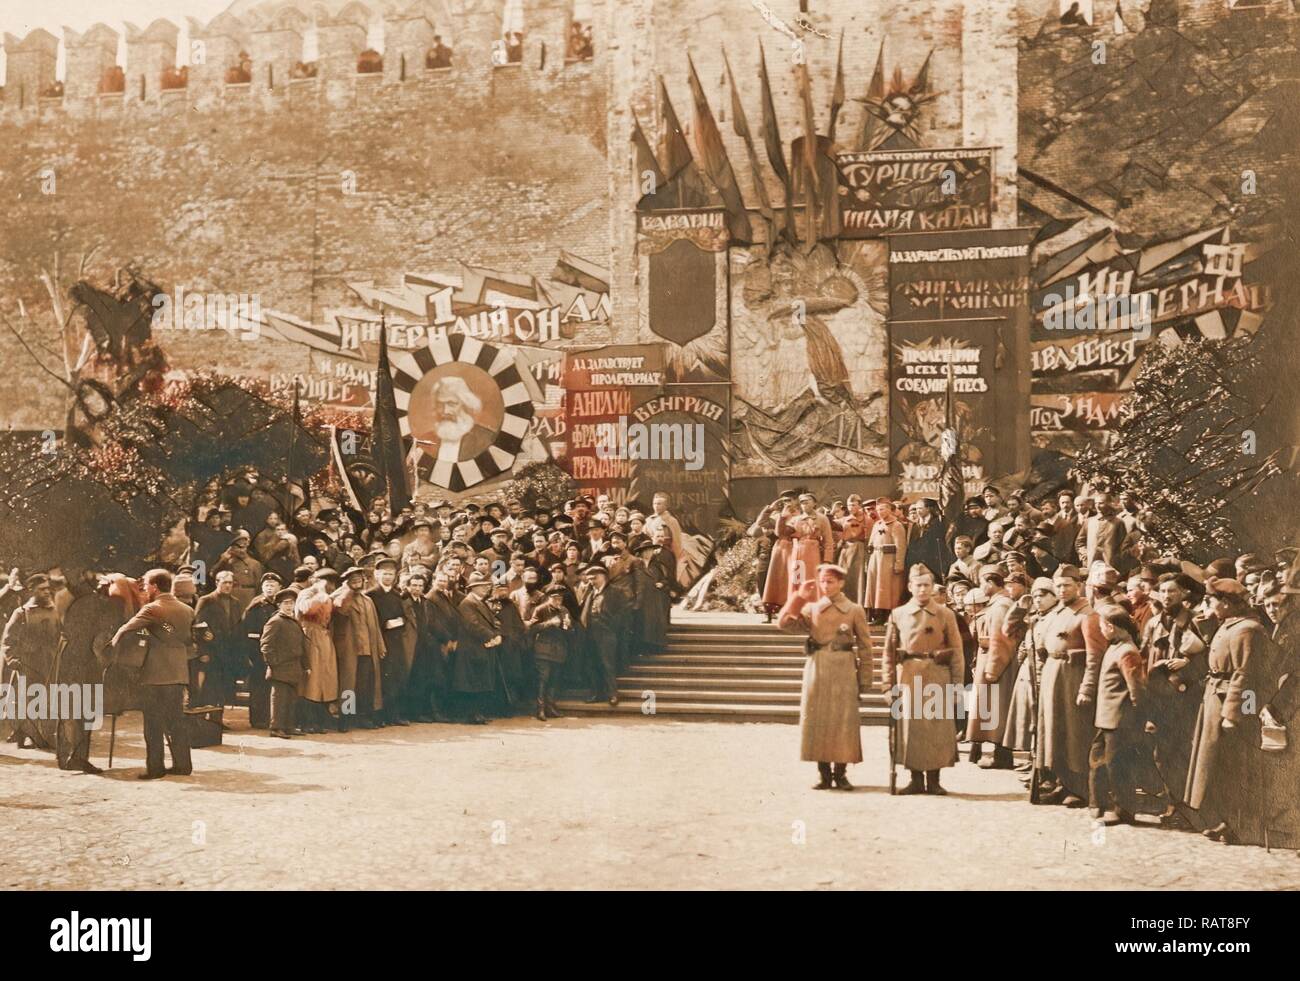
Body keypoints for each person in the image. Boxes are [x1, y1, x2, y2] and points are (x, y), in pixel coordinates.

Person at [1185, 578, 1270, 844]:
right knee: (1216, 766)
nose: (1206, 605)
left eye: (1211, 601)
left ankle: (1241, 824)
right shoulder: (1228, 624)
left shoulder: (1247, 629)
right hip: (1216, 698)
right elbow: (1203, 630)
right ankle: (1227, 821)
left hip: (1230, 704)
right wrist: (1206, 613)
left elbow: (1247, 676)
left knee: (1235, 767)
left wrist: (1237, 714)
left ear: (1226, 602)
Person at [778, 563, 874, 791]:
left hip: (843, 669)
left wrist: (865, 678)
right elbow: (783, 623)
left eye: (830, 581)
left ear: (841, 583)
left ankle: (841, 774)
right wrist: (798, 598)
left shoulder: (854, 610)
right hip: (818, 667)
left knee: (843, 722)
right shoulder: (812, 609)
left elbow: (865, 646)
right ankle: (823, 774)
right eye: (822, 581)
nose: (825, 585)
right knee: (818, 721)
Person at [882, 565, 965, 795]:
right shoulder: (897, 614)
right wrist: (887, 685)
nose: (922, 589)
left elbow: (957, 651)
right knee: (912, 728)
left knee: (936, 728)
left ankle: (934, 780)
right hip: (908, 676)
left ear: (932, 587)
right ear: (909, 587)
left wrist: (958, 685)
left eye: (927, 585)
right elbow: (888, 653)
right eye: (918, 585)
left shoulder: (945, 614)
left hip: (937, 675)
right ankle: (916, 779)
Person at [109, 569, 195, 780]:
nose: (145, 589)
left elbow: (124, 631)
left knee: (153, 725)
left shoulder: (152, 609)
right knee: (176, 721)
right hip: (178, 673)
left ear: (155, 587)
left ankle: (155, 768)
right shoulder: (186, 609)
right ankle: (183, 764)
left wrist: (113, 650)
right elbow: (179, 635)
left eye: (146, 585)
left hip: (155, 675)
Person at [1036, 565, 1095, 807]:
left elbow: (1095, 656)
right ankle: (1060, 783)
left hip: (1073, 676)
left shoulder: (1087, 614)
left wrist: (1087, 687)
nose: (1061, 590)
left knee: (1074, 732)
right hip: (1053, 674)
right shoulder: (1057, 613)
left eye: (1067, 585)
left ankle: (1078, 788)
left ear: (1079, 586)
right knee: (1054, 730)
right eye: (1058, 586)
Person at [1089, 608, 1147, 824]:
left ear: (1111, 627)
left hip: (1119, 718)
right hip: (1106, 717)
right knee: (1099, 761)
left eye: (1103, 627)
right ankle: (1100, 803)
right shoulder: (1115, 648)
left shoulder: (1126, 652)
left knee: (1118, 766)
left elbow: (1136, 688)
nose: (1102, 631)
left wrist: (1139, 715)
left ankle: (1123, 809)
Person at [1, 574, 63, 751]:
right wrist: (12, 659)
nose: (46, 592)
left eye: (47, 588)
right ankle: (27, 736)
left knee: (49, 698)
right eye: (41, 589)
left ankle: (45, 735)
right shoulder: (22, 612)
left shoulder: (54, 611)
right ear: (31, 591)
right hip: (28, 663)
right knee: (28, 700)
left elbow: (60, 634)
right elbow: (8, 640)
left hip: (50, 661)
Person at [966, 567, 1017, 769]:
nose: (980, 587)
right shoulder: (999, 604)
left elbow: (1000, 640)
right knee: (994, 709)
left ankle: (1002, 756)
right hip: (990, 659)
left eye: (981, 582)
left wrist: (993, 669)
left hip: (996, 662)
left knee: (998, 709)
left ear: (990, 582)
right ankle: (1000, 754)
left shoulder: (1000, 606)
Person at [332, 567, 385, 730]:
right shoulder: (340, 597)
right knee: (348, 686)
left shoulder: (367, 600)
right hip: (349, 649)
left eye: (359, 579)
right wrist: (347, 591)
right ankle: (346, 718)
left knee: (366, 686)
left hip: (368, 649)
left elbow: (375, 626)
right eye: (352, 579)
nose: (357, 582)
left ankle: (364, 717)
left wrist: (380, 645)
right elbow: (341, 610)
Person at [261, 589, 311, 739]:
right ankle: (276, 728)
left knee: (291, 699)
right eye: (286, 603)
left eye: (291, 603)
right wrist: (274, 663)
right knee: (279, 699)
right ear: (279, 605)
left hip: (294, 667)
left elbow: (302, 645)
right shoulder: (275, 621)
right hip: (280, 668)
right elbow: (266, 645)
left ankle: (288, 726)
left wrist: (306, 665)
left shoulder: (294, 621)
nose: (289, 606)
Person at [368, 558, 412, 727]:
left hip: (396, 641)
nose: (388, 577)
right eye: (385, 574)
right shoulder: (371, 595)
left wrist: (399, 622)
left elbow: (403, 616)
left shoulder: (396, 595)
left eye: (391, 574)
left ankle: (394, 714)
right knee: (380, 679)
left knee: (396, 677)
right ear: (377, 575)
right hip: (380, 641)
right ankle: (379, 716)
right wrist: (385, 624)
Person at [454, 571, 502, 723]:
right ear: (473, 588)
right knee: (473, 683)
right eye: (481, 586)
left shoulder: (480, 603)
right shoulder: (467, 604)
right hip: (472, 648)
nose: (486, 588)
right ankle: (473, 715)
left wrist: (497, 635)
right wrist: (492, 636)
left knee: (480, 681)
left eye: (486, 586)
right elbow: (472, 625)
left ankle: (478, 714)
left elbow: (494, 622)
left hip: (482, 646)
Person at [296, 571, 341, 733]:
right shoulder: (306, 593)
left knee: (325, 680)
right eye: (325, 581)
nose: (329, 585)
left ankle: (321, 720)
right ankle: (307, 721)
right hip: (310, 636)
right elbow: (305, 609)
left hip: (324, 637)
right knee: (311, 681)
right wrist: (320, 594)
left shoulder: (327, 596)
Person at [192, 570, 243, 709]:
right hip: (211, 649)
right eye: (224, 582)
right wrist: (204, 643)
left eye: (230, 583)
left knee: (224, 685)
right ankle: (209, 718)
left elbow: (237, 626)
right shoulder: (207, 600)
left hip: (228, 650)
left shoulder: (235, 603)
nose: (228, 586)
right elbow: (197, 624)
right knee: (211, 685)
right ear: (216, 582)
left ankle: (219, 717)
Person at [239, 573, 282, 729]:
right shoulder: (256, 606)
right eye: (266, 585)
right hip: (257, 651)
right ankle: (258, 719)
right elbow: (246, 630)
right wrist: (249, 653)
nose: (269, 588)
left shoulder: (281, 604)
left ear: (280, 587)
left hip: (277, 651)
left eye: (273, 585)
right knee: (259, 685)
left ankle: (272, 717)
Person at [864, 498, 907, 623]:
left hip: (888, 559)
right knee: (874, 587)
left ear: (890, 509)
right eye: (878, 510)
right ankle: (876, 614)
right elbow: (871, 542)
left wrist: (899, 563)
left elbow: (901, 546)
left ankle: (886, 615)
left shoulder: (896, 525)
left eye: (882, 509)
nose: (880, 512)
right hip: (875, 559)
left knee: (886, 588)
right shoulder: (877, 524)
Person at [903, 498, 953, 583]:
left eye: (920, 508)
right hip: (917, 562)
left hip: (934, 562)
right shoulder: (914, 525)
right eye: (916, 509)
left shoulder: (939, 523)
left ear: (928, 508)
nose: (918, 511)